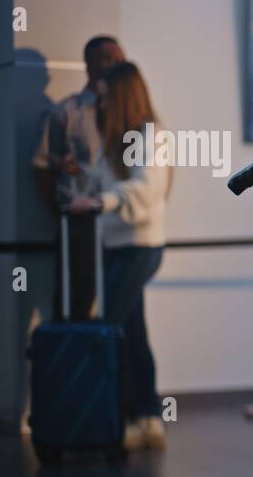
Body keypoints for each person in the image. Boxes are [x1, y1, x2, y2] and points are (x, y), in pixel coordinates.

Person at [66, 62, 171, 451]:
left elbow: (145, 191)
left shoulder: (150, 135)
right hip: (119, 246)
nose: (102, 102)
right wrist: (83, 180)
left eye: (107, 95)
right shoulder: (116, 137)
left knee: (109, 329)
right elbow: (104, 183)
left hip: (140, 247)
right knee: (131, 332)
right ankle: (146, 418)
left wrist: (98, 200)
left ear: (122, 94)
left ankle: (121, 418)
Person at [33, 35, 126, 320]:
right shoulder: (66, 112)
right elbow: (42, 167)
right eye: (110, 58)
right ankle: (70, 362)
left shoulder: (128, 113)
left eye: (120, 58)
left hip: (120, 221)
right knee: (75, 302)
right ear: (89, 63)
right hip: (80, 223)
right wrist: (66, 212)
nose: (118, 64)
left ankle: (114, 364)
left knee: (121, 304)